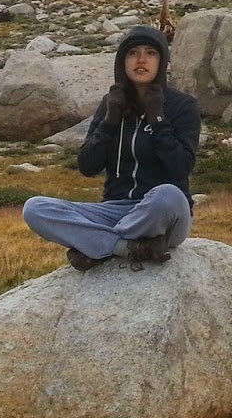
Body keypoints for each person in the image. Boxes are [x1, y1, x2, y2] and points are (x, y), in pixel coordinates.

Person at [22, 25, 200, 272]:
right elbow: (87, 166)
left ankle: (95, 245)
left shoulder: (182, 106)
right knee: (35, 208)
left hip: (163, 215)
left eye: (150, 53)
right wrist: (109, 122)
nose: (141, 59)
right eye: (132, 53)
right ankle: (125, 246)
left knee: (167, 195)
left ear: (161, 61)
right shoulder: (111, 104)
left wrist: (157, 118)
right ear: (121, 62)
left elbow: (180, 167)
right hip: (114, 210)